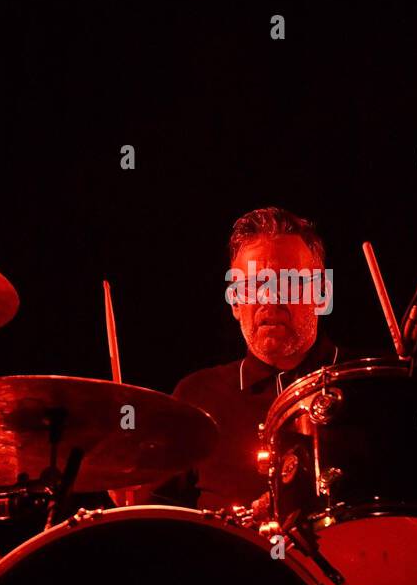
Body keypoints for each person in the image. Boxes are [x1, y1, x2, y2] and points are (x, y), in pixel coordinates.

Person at [143, 206, 336, 512]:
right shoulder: (197, 398)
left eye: (287, 283)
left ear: (323, 294)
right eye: (254, 285)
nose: (269, 299)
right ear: (235, 301)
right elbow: (161, 523)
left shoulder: (371, 384)